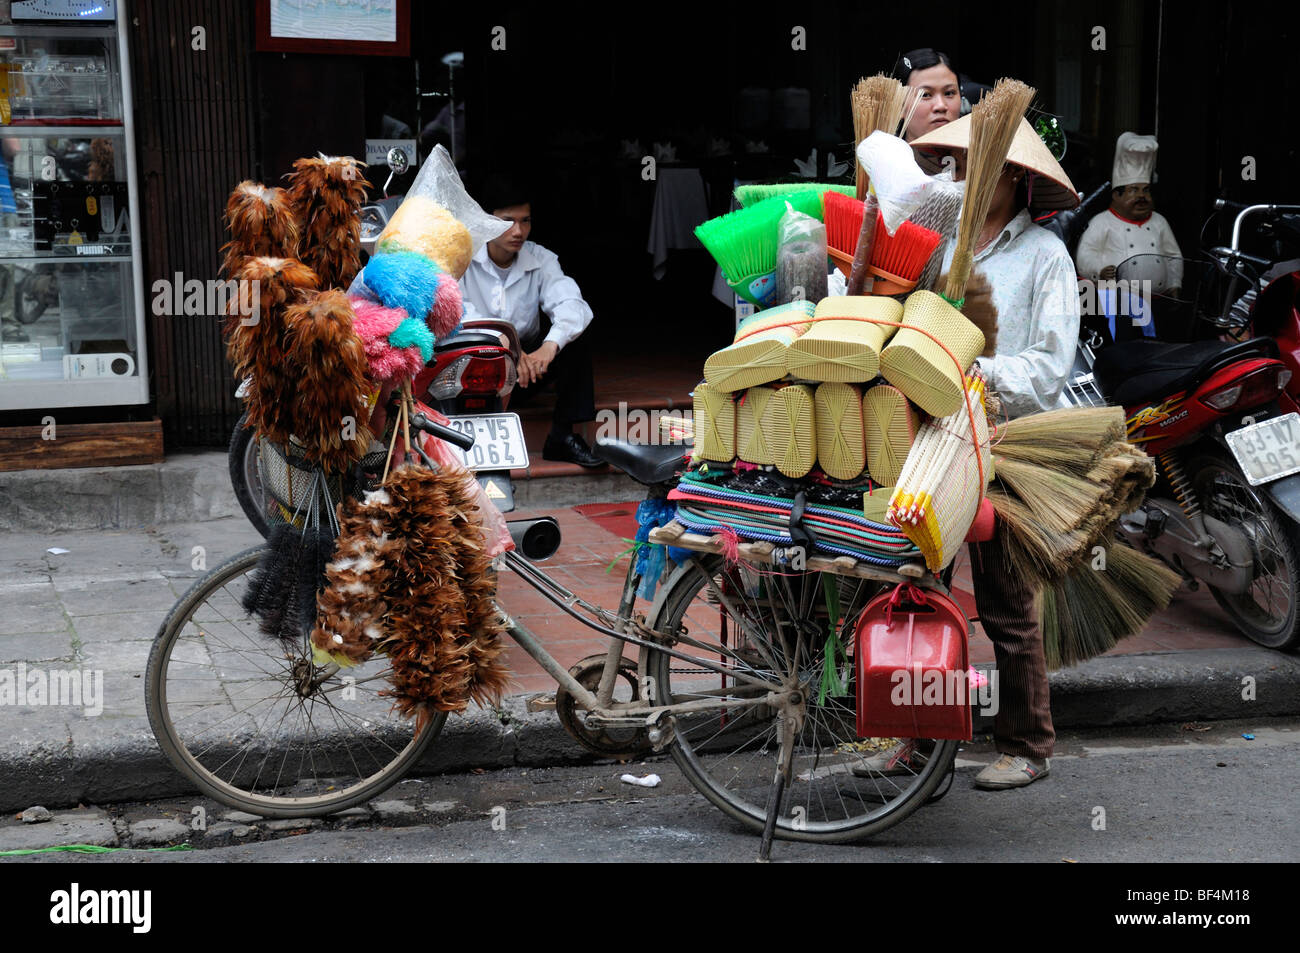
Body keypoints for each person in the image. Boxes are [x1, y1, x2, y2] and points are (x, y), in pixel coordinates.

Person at [857, 110, 1082, 790]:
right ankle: (919, 748)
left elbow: (1051, 366)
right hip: (933, 435)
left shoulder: (1046, 257)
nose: (961, 177)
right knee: (916, 586)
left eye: (979, 166)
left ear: (1015, 177)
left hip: (1007, 439)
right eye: (954, 164)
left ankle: (1027, 745)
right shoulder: (938, 240)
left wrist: (980, 371)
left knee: (1007, 601)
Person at [460, 174, 602, 467]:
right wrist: (508, 346)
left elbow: (572, 305)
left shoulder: (541, 259)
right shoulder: (463, 258)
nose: (518, 231)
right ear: (487, 220)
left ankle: (562, 436)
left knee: (576, 334)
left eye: (525, 221)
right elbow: (457, 312)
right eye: (508, 220)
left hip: (526, 372)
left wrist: (548, 348)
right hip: (476, 369)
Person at [1076, 132, 1183, 297]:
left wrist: (1174, 283)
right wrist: (1100, 270)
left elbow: (1173, 256)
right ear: (1116, 195)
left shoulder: (1159, 222)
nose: (1141, 196)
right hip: (1115, 300)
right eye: (1133, 190)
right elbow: (1085, 254)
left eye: (1145, 190)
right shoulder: (1101, 222)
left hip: (1158, 301)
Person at [891, 48, 963, 143]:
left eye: (949, 93)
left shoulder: (977, 156)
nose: (940, 106)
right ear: (899, 106)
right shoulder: (880, 156)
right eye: (925, 95)